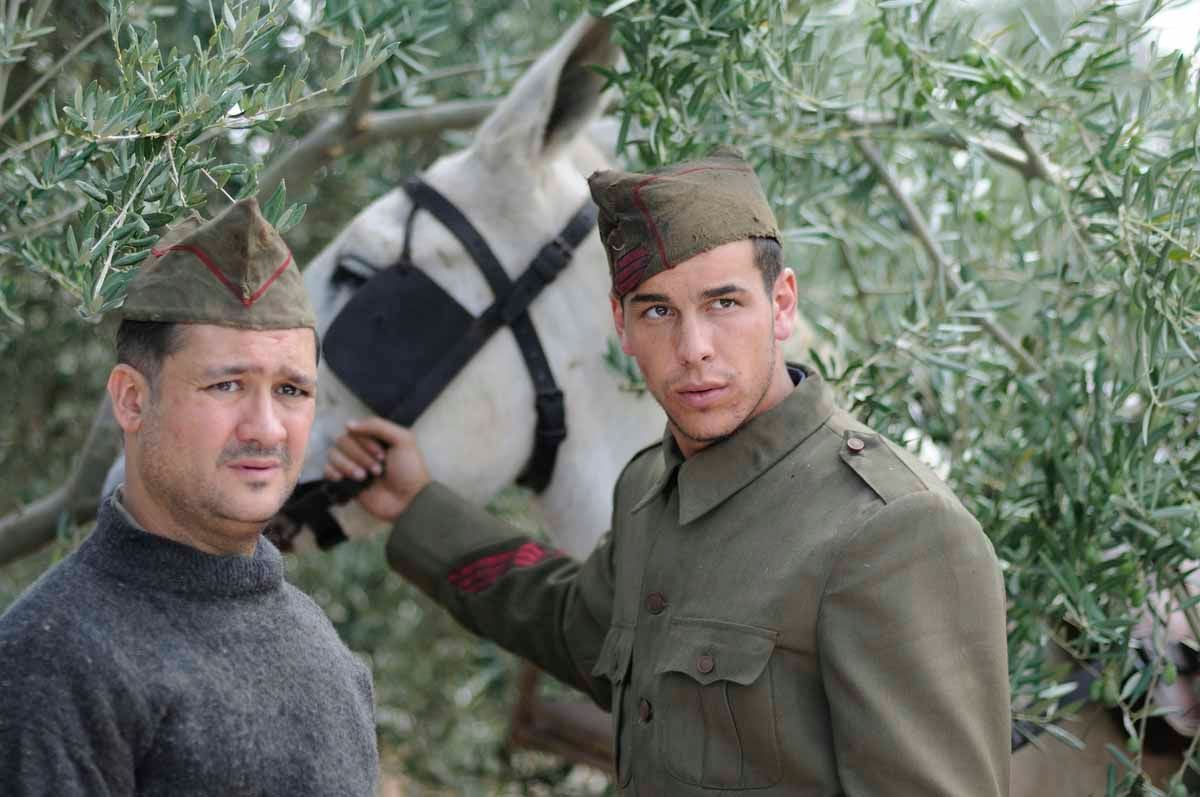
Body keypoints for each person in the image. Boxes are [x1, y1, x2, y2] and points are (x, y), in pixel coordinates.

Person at [327, 150, 1010, 795]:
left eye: (725, 303)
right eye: (658, 310)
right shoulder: (649, 487)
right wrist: (417, 506)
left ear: (782, 304)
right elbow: (576, 625)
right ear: (620, 327)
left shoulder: (893, 529)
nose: (694, 350)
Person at [0, 200, 378, 795]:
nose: (266, 428)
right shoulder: (52, 661)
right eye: (226, 385)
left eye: (290, 390)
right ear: (131, 400)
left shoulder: (321, 645)